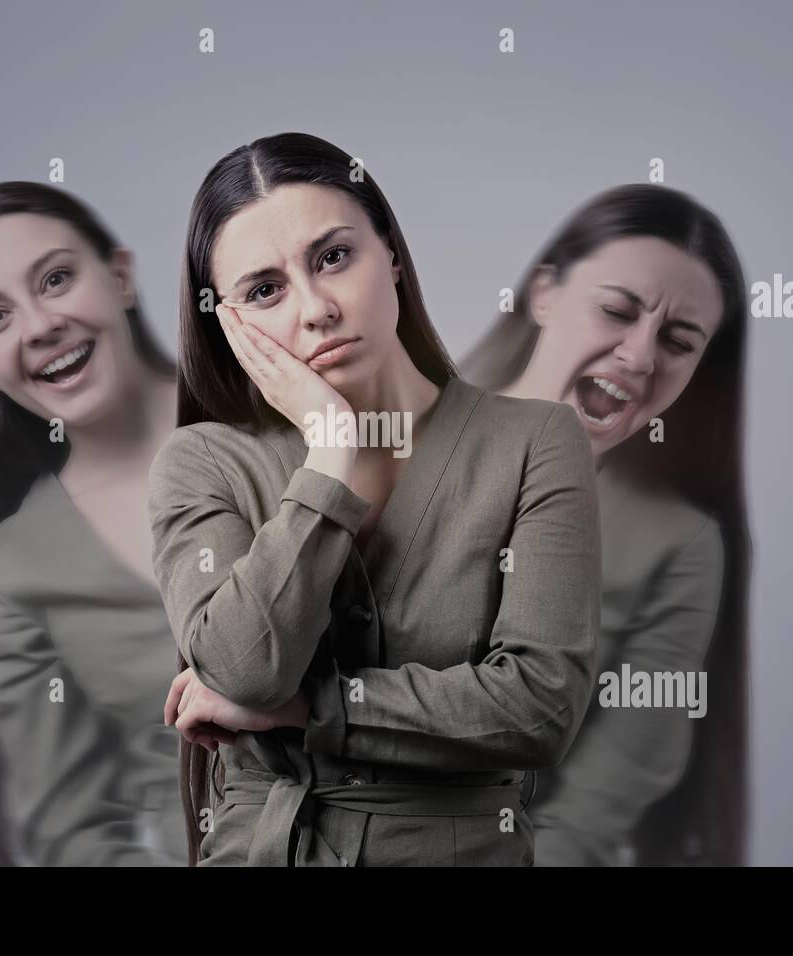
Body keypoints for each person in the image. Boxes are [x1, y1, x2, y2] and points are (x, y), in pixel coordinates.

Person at [147, 132, 601, 867]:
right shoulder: (202, 463)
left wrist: (308, 709)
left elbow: (539, 708)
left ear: (388, 251)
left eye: (333, 257)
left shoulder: (536, 440)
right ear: (227, 323)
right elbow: (245, 671)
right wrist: (331, 448)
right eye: (265, 290)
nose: (317, 309)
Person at [460, 183, 752, 866]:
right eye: (617, 310)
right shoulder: (380, 443)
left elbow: (599, 800)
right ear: (544, 294)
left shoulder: (677, 544)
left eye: (679, 341)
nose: (642, 355)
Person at [0, 181, 185, 865]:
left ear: (120, 276)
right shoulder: (14, 567)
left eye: (57, 279)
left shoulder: (295, 409)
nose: (40, 326)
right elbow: (74, 833)